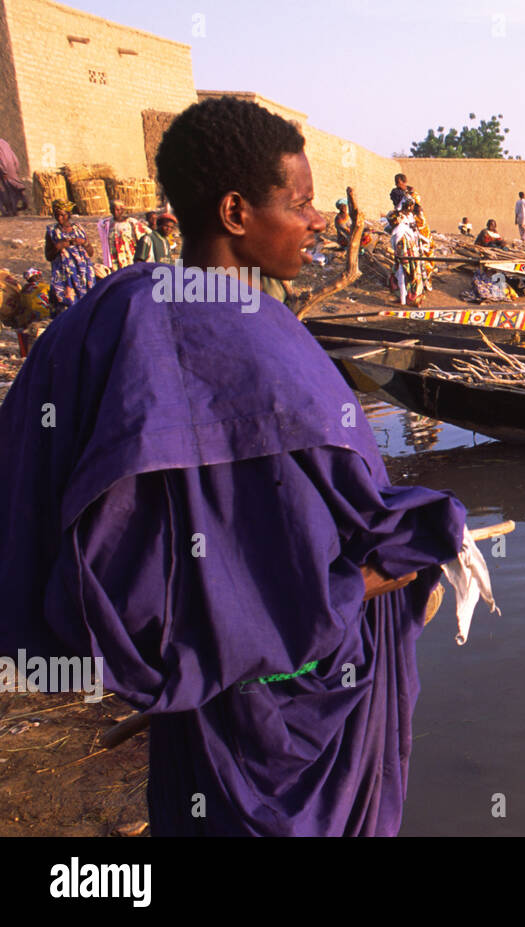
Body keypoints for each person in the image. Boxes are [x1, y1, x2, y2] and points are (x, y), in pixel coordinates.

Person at [0, 95, 469, 837]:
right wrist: (377, 573)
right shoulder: (260, 344)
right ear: (235, 211)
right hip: (305, 725)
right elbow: (331, 544)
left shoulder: (108, 322)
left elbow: (132, 557)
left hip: (208, 722)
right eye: (302, 202)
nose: (319, 220)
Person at [44, 199, 95, 314]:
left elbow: (91, 253)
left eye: (62, 215)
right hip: (63, 273)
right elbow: (48, 256)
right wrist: (58, 247)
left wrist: (84, 243)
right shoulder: (52, 231)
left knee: (85, 302)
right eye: (57, 215)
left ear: (69, 214)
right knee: (65, 303)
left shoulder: (79, 228)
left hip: (82, 272)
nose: (59, 218)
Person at [99, 200, 149, 272]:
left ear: (122, 210)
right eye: (113, 210)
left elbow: (146, 235)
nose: (115, 212)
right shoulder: (107, 224)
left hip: (130, 257)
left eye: (118, 210)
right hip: (114, 259)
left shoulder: (131, 222)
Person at [0, 137, 28, 216]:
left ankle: (10, 210)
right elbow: (14, 156)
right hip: (12, 168)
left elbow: (1, 158)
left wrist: (3, 170)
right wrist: (16, 168)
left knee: (7, 190)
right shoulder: (4, 142)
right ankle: (15, 209)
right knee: (14, 188)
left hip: (4, 169)